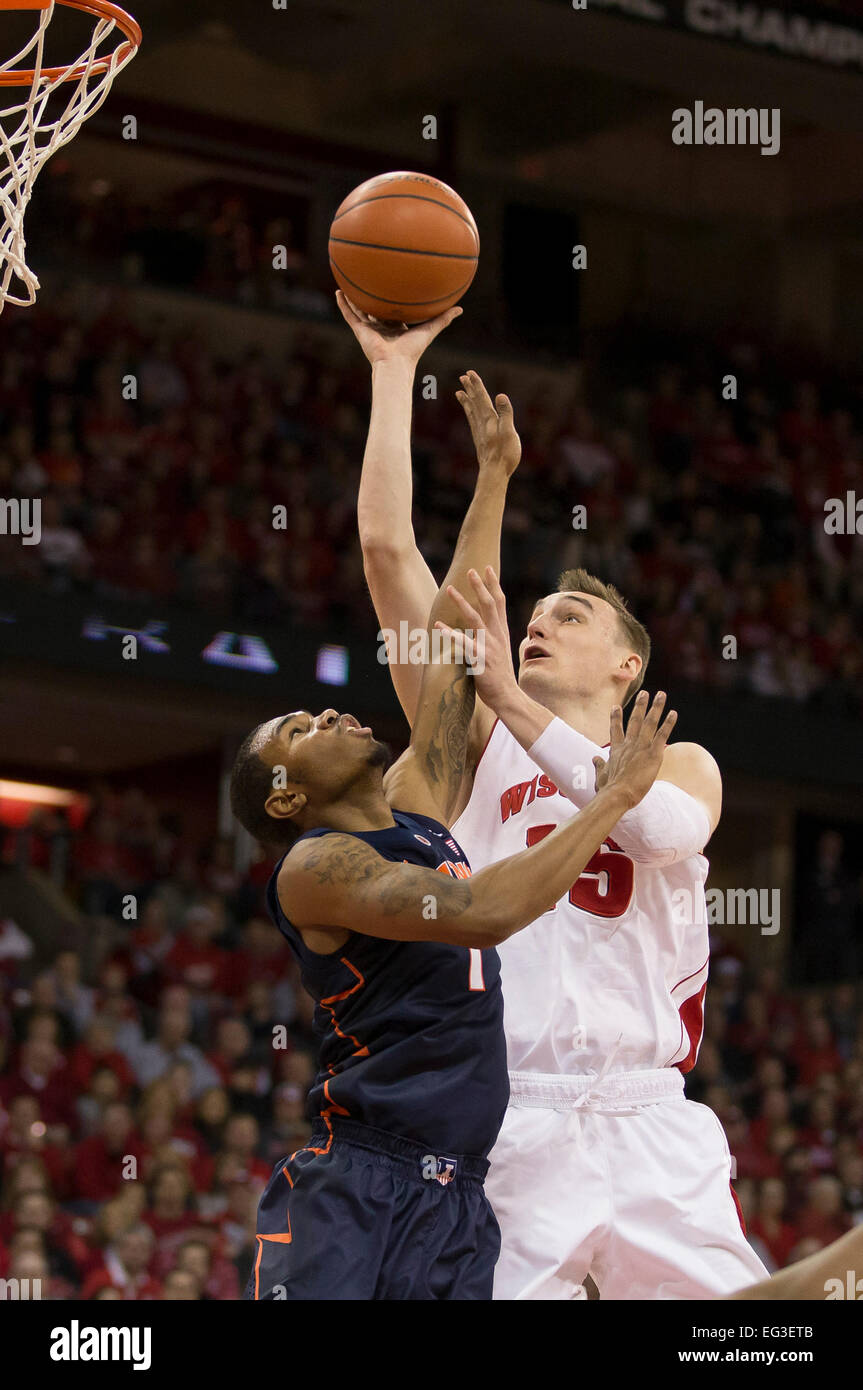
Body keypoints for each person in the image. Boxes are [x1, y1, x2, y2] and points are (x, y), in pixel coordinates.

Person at [342, 292, 768, 1300]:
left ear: (627, 663)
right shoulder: (475, 742)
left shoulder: (679, 760)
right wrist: (392, 374)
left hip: (649, 1111)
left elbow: (656, 826)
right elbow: (386, 556)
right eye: (530, 616)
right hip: (515, 1108)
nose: (537, 624)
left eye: (566, 614)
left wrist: (512, 701)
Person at [229, 393, 676, 1301]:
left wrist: (493, 479)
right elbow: (483, 912)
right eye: (303, 726)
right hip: (359, 1175)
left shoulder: (419, 806)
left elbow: (449, 643)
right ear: (287, 793)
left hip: (462, 1192)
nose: (332, 712)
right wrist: (611, 800)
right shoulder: (315, 868)